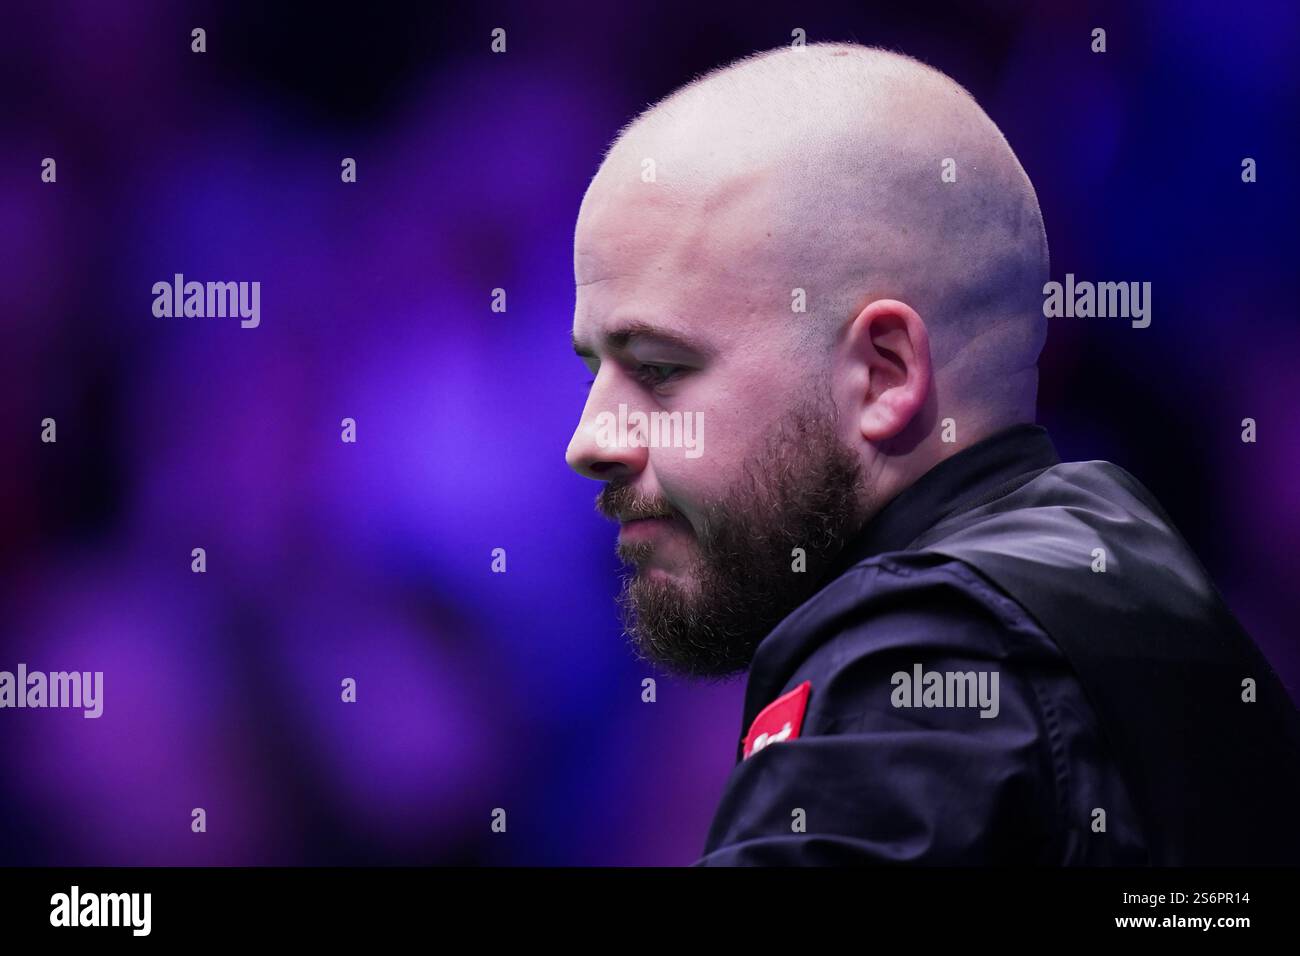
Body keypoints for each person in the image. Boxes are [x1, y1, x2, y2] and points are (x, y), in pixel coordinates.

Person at [565, 42, 1300, 864]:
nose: (589, 441)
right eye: (595, 372)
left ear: (884, 374)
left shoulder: (922, 663)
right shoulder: (1128, 582)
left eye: (658, 368)